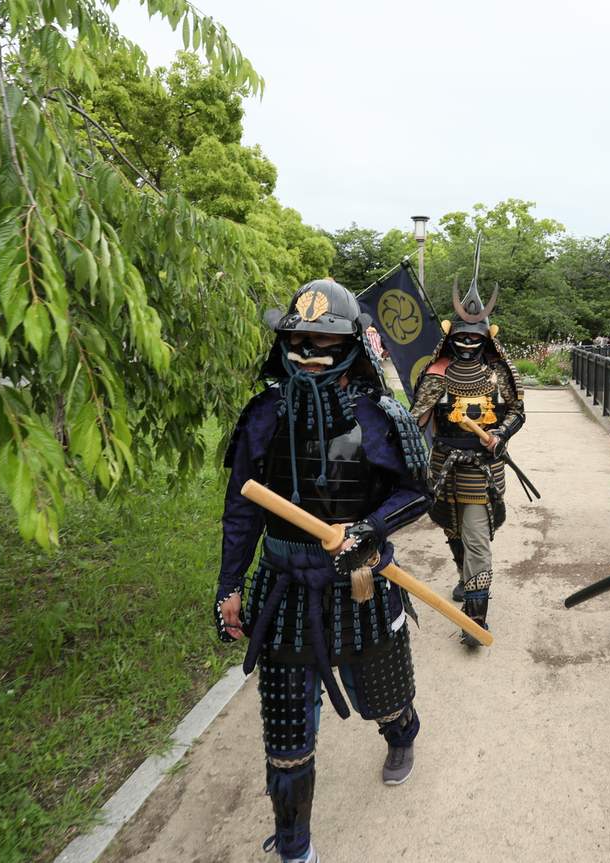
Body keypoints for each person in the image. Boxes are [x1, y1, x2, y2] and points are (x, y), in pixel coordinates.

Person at [214, 279, 431, 863]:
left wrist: (370, 530)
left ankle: (400, 735)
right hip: (283, 585)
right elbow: (241, 509)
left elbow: (416, 493)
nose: (309, 349)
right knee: (286, 736)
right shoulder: (263, 414)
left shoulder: (380, 415)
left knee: (384, 695)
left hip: (360, 582)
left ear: (352, 345)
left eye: (324, 340)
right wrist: (229, 586)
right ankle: (295, 848)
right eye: (298, 338)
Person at [408, 235, 526, 646]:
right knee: (453, 530)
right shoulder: (438, 373)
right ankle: (464, 578)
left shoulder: (497, 373)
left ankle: (475, 618)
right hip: (443, 465)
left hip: (481, 466)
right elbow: (414, 419)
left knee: (476, 536)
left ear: (488, 336)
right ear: (450, 335)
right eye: (462, 337)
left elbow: (517, 410)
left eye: (476, 338)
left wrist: (500, 433)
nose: (468, 344)